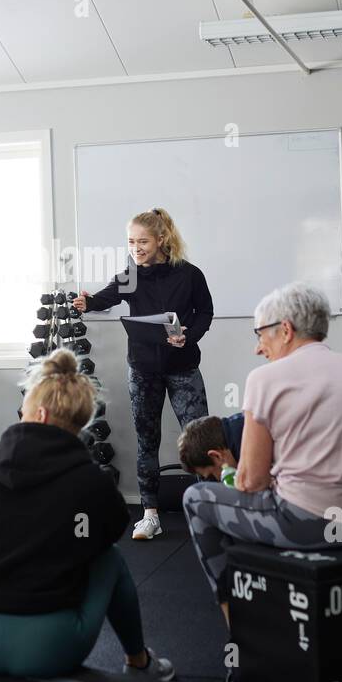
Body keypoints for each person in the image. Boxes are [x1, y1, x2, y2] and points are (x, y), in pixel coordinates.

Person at [0, 349, 175, 680]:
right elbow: (110, 531)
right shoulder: (92, 480)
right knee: (109, 558)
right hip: (44, 649)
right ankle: (138, 661)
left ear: (39, 415)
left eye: (21, 411)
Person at [182, 283, 342, 624]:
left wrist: (242, 476)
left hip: (316, 525)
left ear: (285, 330)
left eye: (260, 334)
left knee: (196, 498)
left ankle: (235, 621)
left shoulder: (265, 379)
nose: (258, 348)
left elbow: (251, 482)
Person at [71, 207, 213, 540]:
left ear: (162, 239)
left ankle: (209, 511)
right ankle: (151, 515)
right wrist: (85, 303)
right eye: (131, 242)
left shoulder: (190, 274)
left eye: (143, 241)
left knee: (201, 440)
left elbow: (206, 312)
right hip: (143, 370)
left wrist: (188, 335)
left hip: (183, 367)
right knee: (146, 441)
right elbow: (104, 298)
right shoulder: (130, 275)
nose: (136, 248)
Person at [178, 414, 342, 512]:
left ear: (216, 456)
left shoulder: (256, 443)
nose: (216, 480)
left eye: (212, 474)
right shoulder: (245, 427)